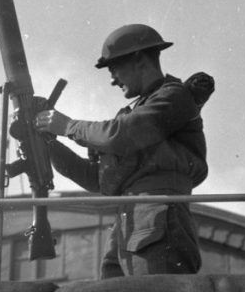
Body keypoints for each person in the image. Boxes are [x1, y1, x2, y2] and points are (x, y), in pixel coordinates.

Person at [34, 23, 213, 278]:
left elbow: (120, 135)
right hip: (129, 224)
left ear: (139, 59)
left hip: (158, 218)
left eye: (114, 69)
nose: (112, 80)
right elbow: (97, 178)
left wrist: (68, 126)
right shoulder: (135, 112)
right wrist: (48, 143)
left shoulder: (174, 97)